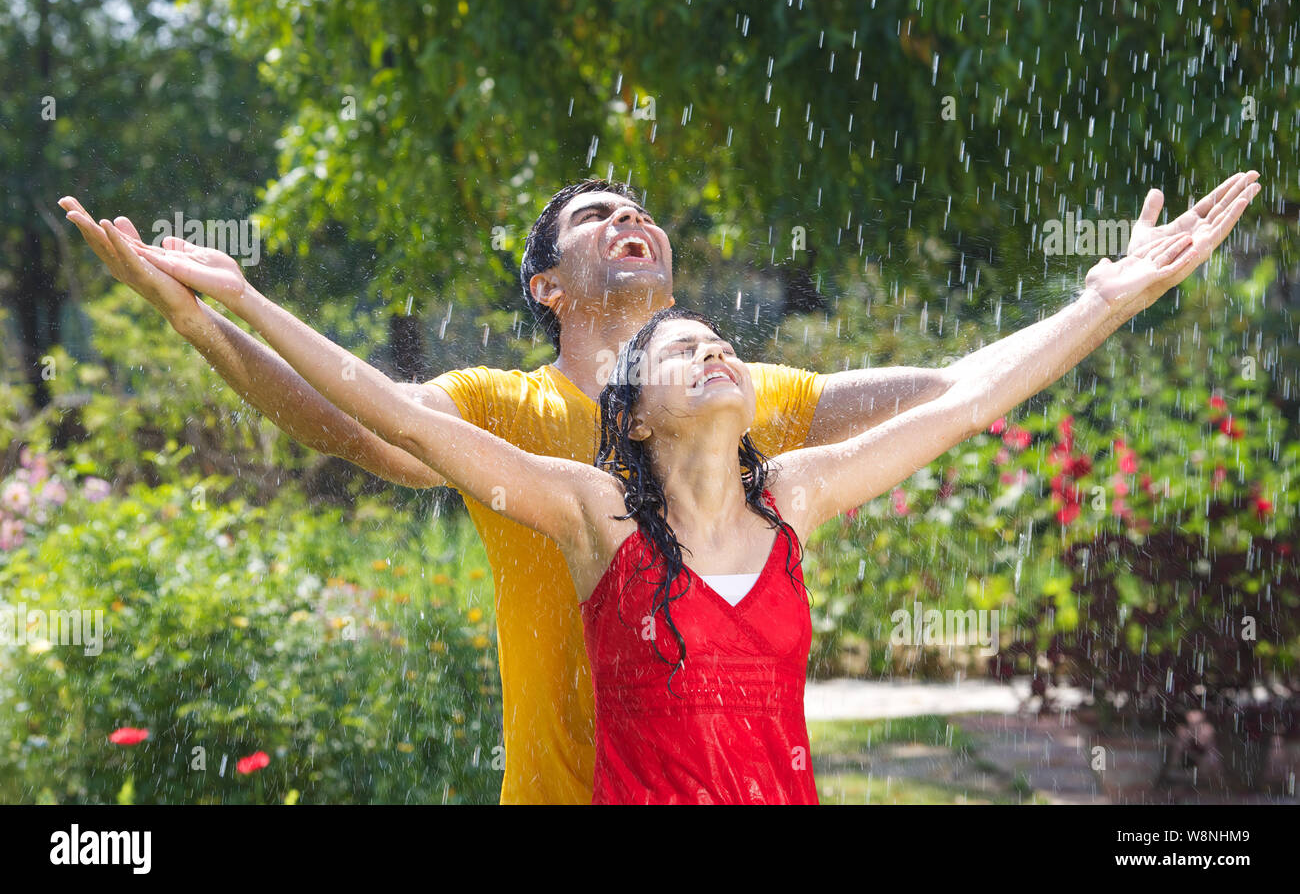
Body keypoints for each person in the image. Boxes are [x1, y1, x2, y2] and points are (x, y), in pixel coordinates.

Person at [59, 170, 1260, 801]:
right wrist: (208, 315)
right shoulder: (507, 419)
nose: (629, 215)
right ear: (547, 285)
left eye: (638, 210)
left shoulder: (758, 420)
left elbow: (950, 390)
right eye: (594, 215)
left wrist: (1098, 298)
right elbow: (346, 411)